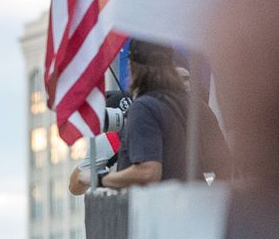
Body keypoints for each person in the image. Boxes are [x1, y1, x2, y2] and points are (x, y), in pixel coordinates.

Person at [94, 40, 231, 189]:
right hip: (196, 201)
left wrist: (100, 179)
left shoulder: (143, 108)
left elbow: (148, 172)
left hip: (152, 203)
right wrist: (203, 193)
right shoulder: (199, 108)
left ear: (133, 68)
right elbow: (224, 167)